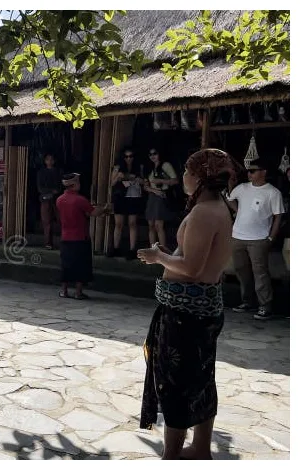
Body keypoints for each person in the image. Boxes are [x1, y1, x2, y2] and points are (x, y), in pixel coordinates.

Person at [137, 148, 241, 460]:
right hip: (202, 309)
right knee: (201, 379)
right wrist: (170, 255)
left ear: (199, 176)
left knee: (177, 384)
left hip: (185, 314)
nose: (182, 176)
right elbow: (194, 259)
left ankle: (173, 454)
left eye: (186, 170)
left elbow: (192, 268)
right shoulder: (219, 206)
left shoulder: (204, 212)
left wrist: (158, 257)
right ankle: (199, 447)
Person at [224, 158, 285, 320]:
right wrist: (239, 211)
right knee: (241, 270)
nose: (249, 174)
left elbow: (278, 216)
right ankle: (247, 301)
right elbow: (229, 198)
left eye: (253, 171)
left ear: (263, 172)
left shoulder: (273, 192)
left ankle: (265, 306)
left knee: (260, 273)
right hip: (237, 236)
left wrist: (271, 237)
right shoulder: (242, 188)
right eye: (248, 171)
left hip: (259, 238)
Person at [56, 173, 109, 300]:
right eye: (78, 182)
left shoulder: (59, 200)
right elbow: (94, 212)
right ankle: (78, 292)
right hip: (80, 236)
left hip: (65, 236)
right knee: (81, 265)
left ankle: (64, 291)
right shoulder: (79, 199)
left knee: (66, 265)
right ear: (73, 185)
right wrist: (105, 208)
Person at [109, 148, 144, 259]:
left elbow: (144, 181)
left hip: (133, 196)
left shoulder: (139, 166)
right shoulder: (118, 167)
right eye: (126, 156)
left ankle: (132, 249)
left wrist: (137, 179)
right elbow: (112, 183)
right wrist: (119, 176)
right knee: (118, 223)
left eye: (131, 156)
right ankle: (116, 248)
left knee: (132, 223)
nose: (129, 159)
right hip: (120, 196)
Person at [144, 148, 180, 250]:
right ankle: (152, 249)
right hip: (152, 195)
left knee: (158, 225)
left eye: (155, 153)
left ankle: (163, 250)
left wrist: (161, 180)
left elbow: (175, 181)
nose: (152, 156)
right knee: (150, 225)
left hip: (162, 195)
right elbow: (145, 186)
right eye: (150, 154)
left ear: (159, 154)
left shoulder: (165, 165)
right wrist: (154, 190)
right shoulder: (149, 167)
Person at [37, 153, 63, 249]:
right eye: (48, 159)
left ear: (54, 161)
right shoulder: (41, 172)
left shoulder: (59, 172)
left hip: (58, 199)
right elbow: (40, 188)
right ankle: (48, 243)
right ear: (45, 161)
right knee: (46, 221)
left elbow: (60, 186)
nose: (50, 161)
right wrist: (51, 191)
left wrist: (55, 191)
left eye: (51, 159)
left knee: (62, 220)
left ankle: (64, 241)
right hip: (45, 198)